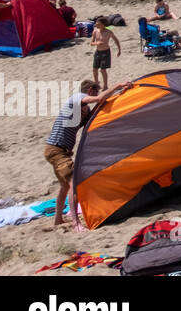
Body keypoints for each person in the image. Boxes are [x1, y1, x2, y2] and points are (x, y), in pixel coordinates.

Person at [45, 80, 133, 230]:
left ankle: (58, 219)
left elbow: (97, 109)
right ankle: (76, 224)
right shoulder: (77, 98)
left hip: (58, 150)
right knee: (74, 184)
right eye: (96, 92)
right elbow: (99, 100)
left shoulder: (83, 109)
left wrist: (120, 94)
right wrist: (118, 85)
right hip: (56, 150)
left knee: (65, 187)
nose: (98, 95)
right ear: (90, 90)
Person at [90, 17, 122, 89]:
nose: (96, 25)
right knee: (94, 69)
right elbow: (91, 43)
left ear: (103, 25)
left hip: (105, 52)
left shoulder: (108, 32)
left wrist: (119, 50)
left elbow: (116, 40)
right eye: (96, 24)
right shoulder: (95, 31)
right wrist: (97, 43)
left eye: (98, 24)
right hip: (98, 52)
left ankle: (105, 85)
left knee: (102, 70)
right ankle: (96, 83)